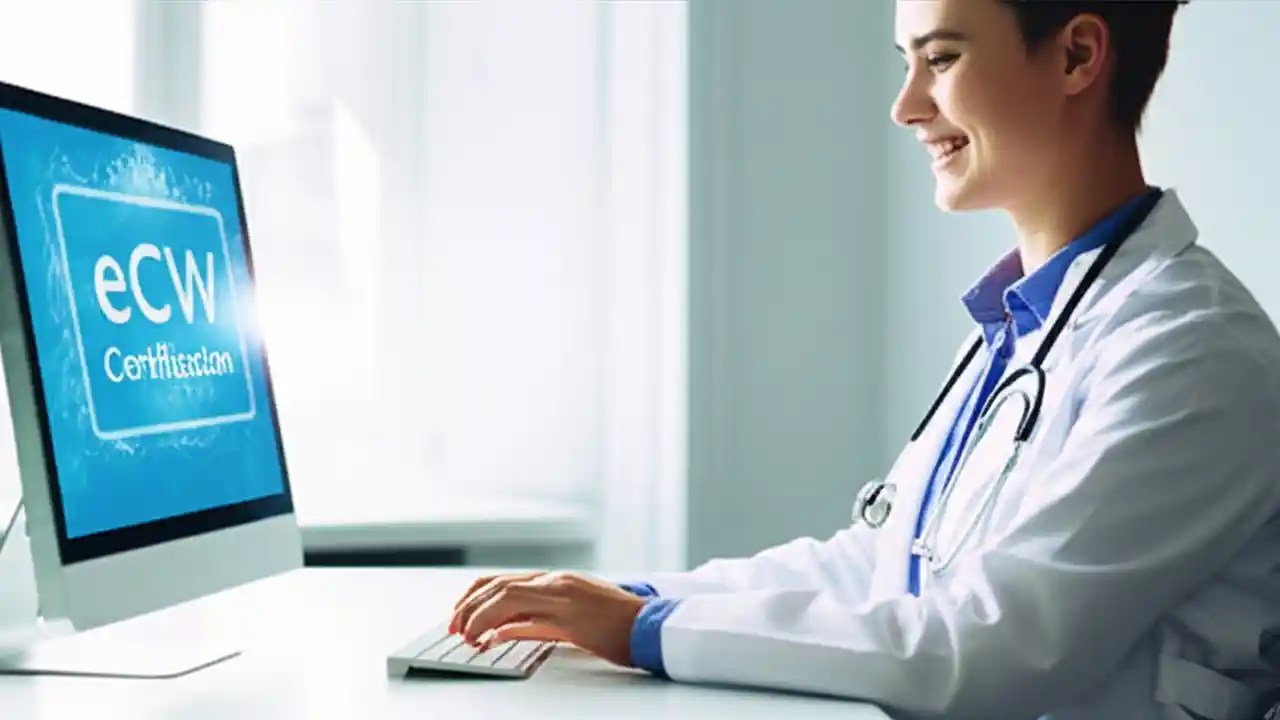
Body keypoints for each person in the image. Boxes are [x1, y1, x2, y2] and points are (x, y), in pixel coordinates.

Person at [449, 1, 1280, 717]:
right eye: (906, 63)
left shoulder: (1191, 350)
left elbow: (980, 651)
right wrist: (628, 600)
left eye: (941, 59)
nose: (906, 105)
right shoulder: (1027, 325)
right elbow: (876, 564)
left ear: (1077, 55)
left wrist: (640, 631)